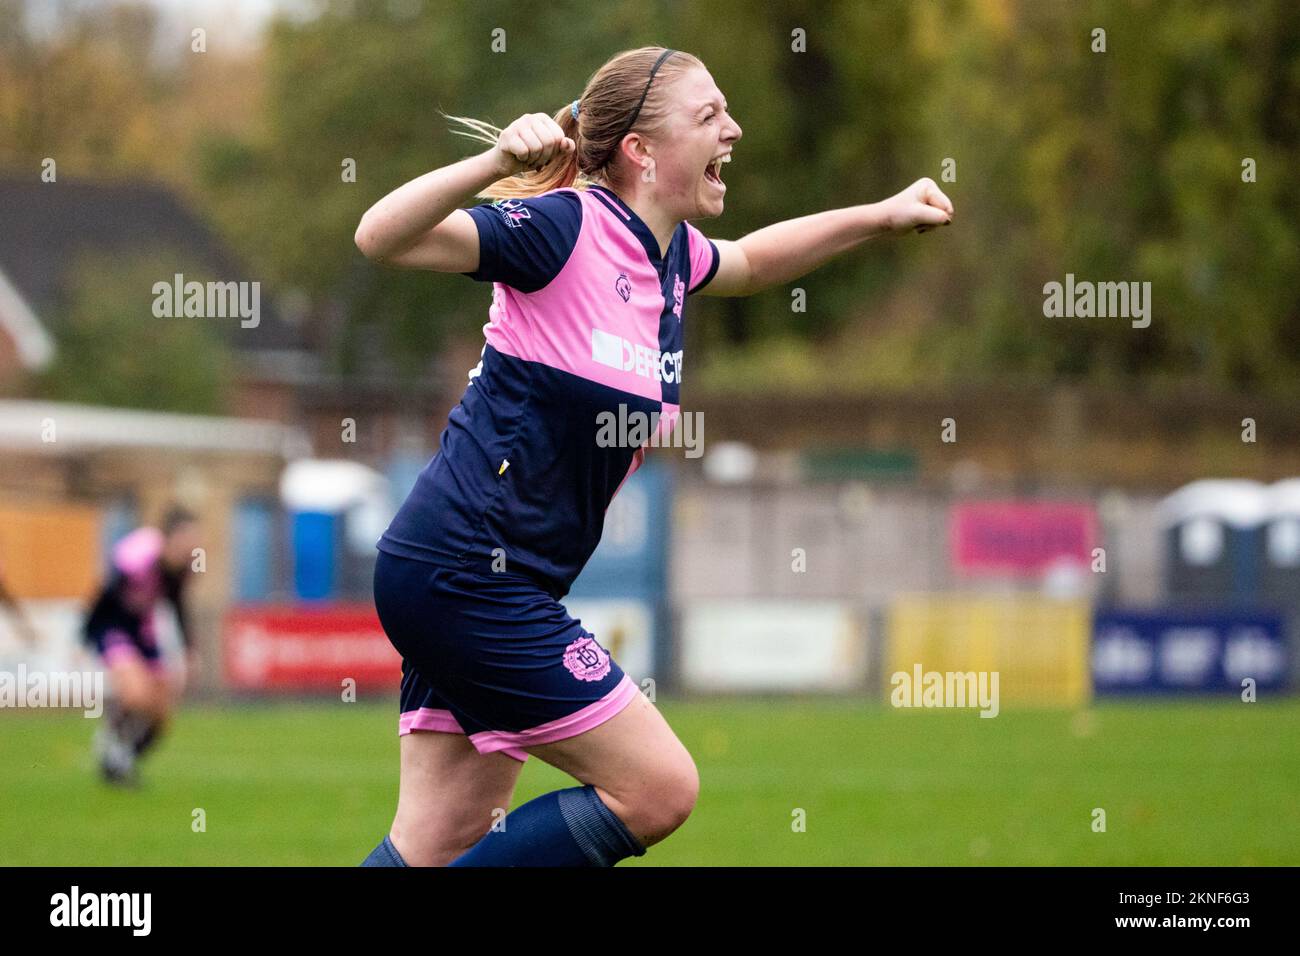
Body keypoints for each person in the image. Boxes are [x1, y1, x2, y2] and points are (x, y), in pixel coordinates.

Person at [354, 45, 953, 866]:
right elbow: (380, 237)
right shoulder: (563, 228)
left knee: (438, 842)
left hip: (491, 581)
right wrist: (495, 160)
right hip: (464, 575)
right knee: (660, 787)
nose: (733, 130)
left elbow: (748, 261)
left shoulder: (672, 260)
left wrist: (877, 216)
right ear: (640, 151)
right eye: (708, 117)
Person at [83, 506, 201, 785]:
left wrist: (188, 651)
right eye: (190, 537)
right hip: (113, 627)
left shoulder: (181, 568)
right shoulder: (140, 555)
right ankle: (111, 739)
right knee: (137, 694)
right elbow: (106, 595)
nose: (195, 545)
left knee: (160, 713)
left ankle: (120, 759)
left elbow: (177, 605)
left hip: (142, 632)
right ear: (172, 536)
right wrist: (85, 635)